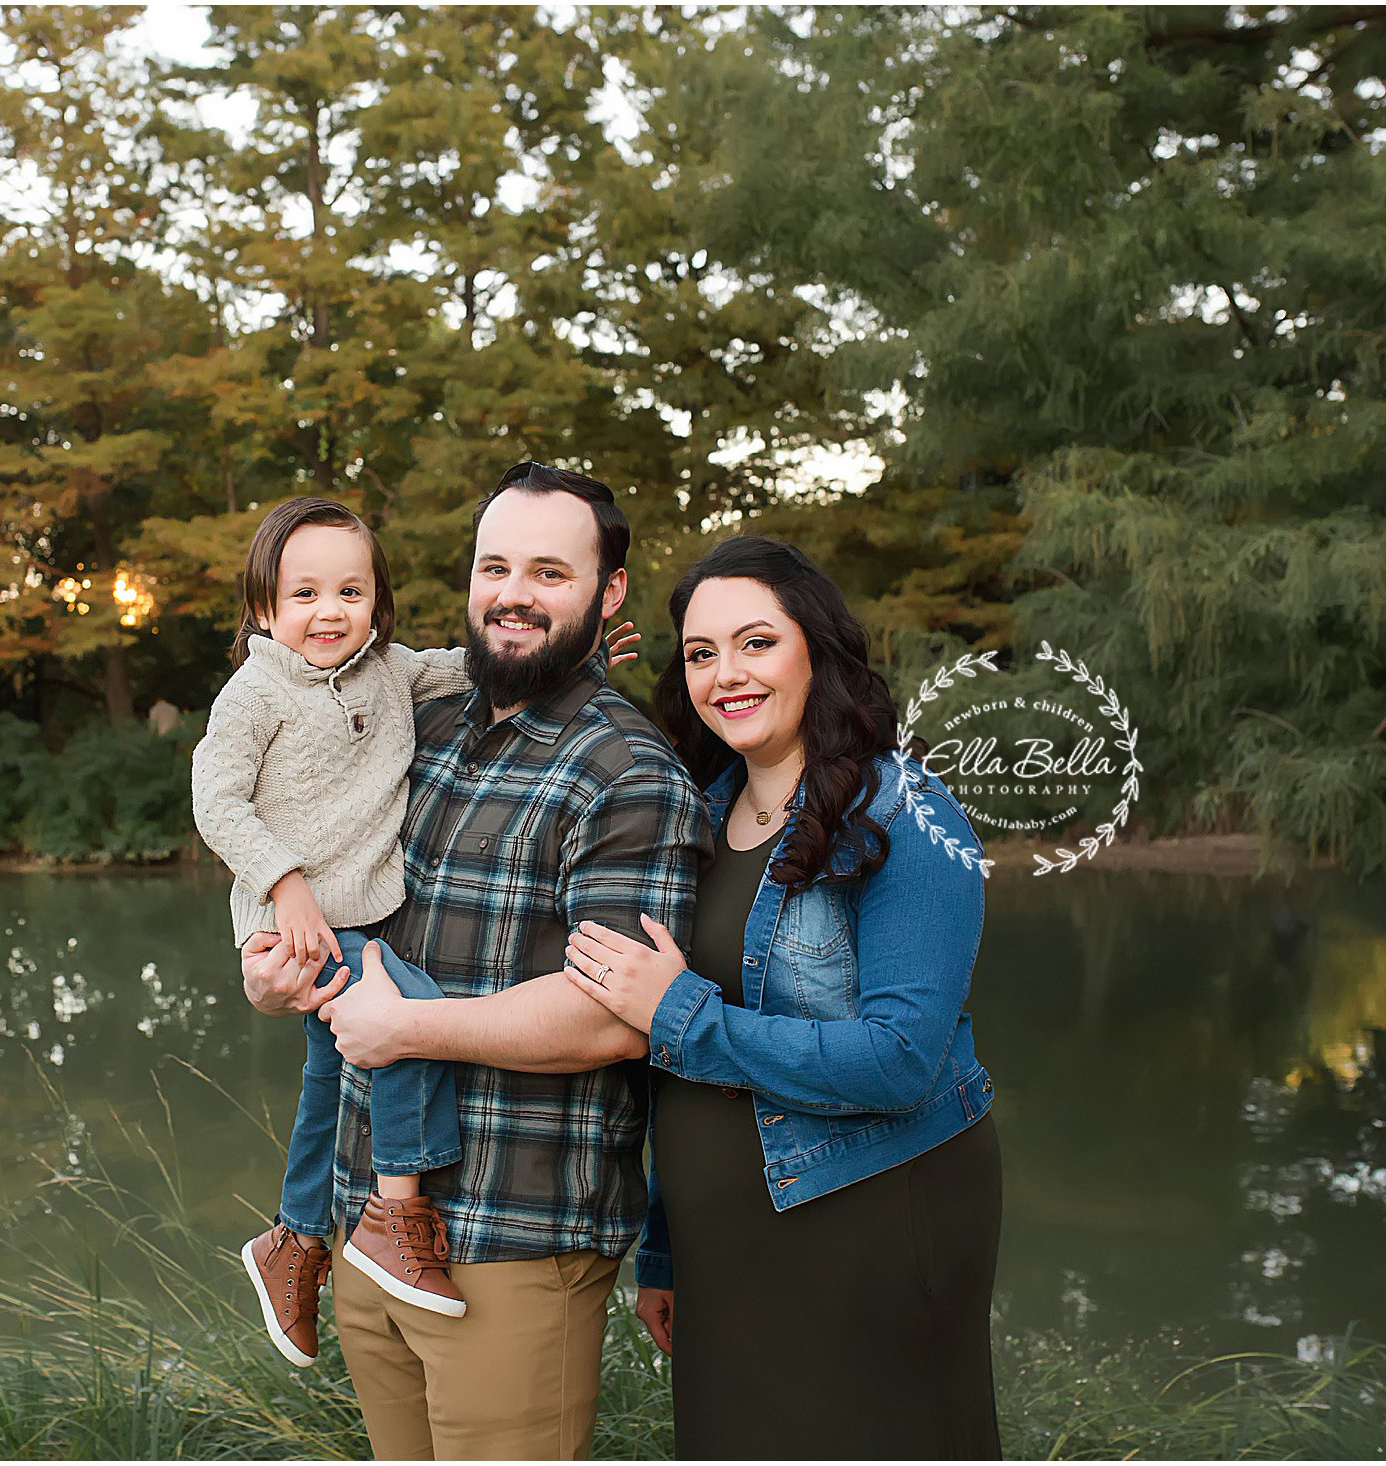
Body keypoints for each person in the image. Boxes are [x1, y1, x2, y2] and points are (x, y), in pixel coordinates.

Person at [239, 463, 710, 1460]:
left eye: (548, 570)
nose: (512, 592)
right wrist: (270, 973)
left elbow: (615, 1014)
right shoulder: (424, 725)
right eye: (495, 566)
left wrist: (409, 1026)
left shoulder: (627, 772)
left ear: (606, 591)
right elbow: (320, 872)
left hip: (514, 1239)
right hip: (365, 1220)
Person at [565, 535, 1003, 1459]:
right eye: (700, 652)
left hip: (867, 1222)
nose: (727, 673)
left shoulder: (905, 814)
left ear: (817, 647)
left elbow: (899, 1059)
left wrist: (679, 1012)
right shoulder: (697, 807)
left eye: (756, 642)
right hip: (726, 1251)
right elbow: (679, 1083)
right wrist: (665, 1250)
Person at [192, 494, 643, 1370]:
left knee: (328, 1080)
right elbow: (216, 802)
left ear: (377, 599)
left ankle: (293, 1235)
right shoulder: (255, 692)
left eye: (351, 592)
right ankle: (397, 1211)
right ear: (263, 610)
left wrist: (577, 648)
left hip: (351, 911)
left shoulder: (390, 673)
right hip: (299, 910)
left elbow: (476, 668)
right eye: (304, 595)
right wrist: (284, 887)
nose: (330, 613)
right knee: (410, 1021)